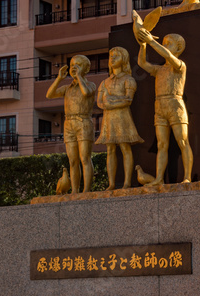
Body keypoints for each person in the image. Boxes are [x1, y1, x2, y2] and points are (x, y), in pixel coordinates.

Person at [135, 25, 193, 185]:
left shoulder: (180, 65)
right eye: (164, 43)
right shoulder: (159, 69)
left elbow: (167, 54)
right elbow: (141, 63)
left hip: (175, 104)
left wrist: (151, 42)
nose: (165, 46)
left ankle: (187, 176)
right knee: (161, 144)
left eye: (169, 43)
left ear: (179, 47)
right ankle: (159, 178)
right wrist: (143, 44)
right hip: (159, 106)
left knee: (183, 141)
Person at [95, 46, 143, 190]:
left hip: (123, 118)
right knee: (110, 149)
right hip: (109, 119)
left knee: (124, 147)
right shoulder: (104, 82)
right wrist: (109, 103)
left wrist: (110, 101)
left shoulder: (128, 79)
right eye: (111, 56)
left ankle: (127, 182)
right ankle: (111, 183)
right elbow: (99, 102)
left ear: (124, 59)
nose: (113, 58)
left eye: (116, 56)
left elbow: (128, 99)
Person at [46, 55, 95, 193]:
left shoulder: (90, 85)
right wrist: (59, 78)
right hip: (69, 124)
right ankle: (74, 191)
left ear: (86, 68)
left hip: (83, 122)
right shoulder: (67, 88)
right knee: (73, 161)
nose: (74, 67)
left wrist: (79, 77)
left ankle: (87, 190)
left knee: (85, 158)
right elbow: (49, 95)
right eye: (72, 64)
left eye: (78, 65)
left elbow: (86, 93)